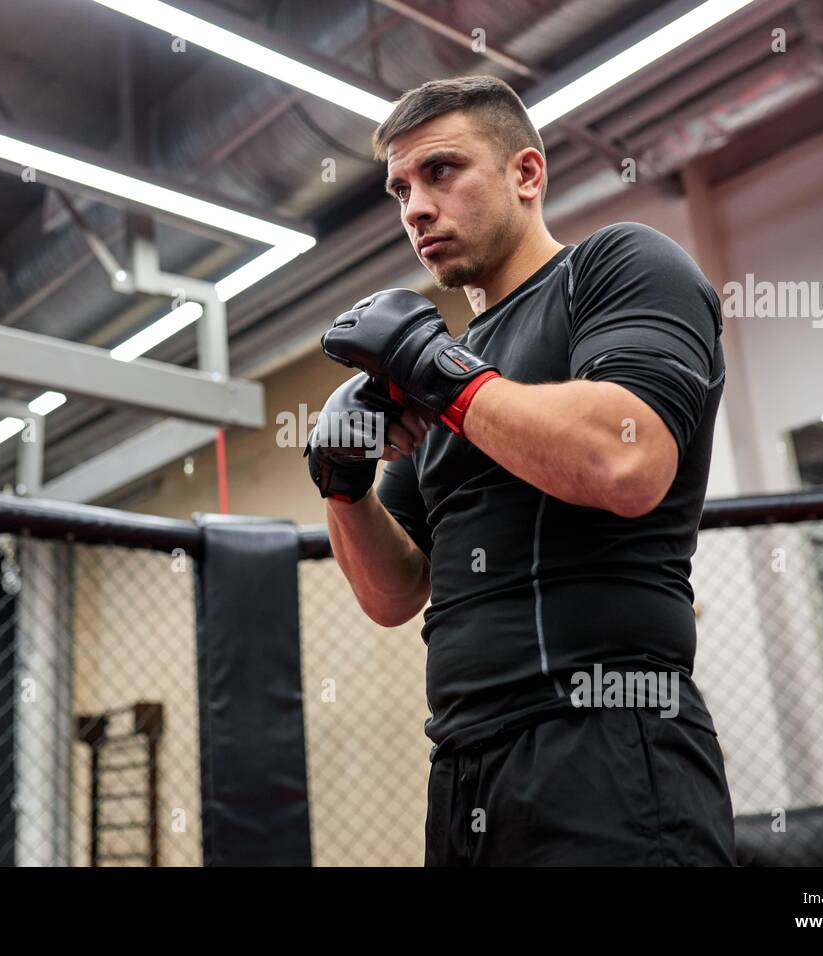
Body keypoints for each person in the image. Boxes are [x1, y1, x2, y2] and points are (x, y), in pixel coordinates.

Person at [305, 75, 734, 865]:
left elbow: (626, 459)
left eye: (441, 172)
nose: (415, 209)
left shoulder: (617, 267)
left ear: (526, 174)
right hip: (466, 765)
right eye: (401, 188)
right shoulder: (447, 375)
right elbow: (393, 593)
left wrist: (441, 373)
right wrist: (342, 484)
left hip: (608, 739)